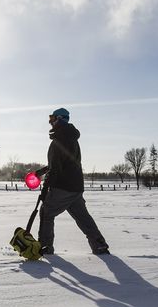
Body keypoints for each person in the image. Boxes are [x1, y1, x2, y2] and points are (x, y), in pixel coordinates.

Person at [36, 107, 109, 255]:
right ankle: (99, 245)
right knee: (83, 217)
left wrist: (45, 188)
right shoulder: (70, 138)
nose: (50, 122)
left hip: (63, 187)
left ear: (59, 119)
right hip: (75, 186)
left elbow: (56, 168)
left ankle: (45, 247)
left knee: (46, 213)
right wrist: (41, 172)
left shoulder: (59, 139)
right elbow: (64, 162)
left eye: (52, 118)